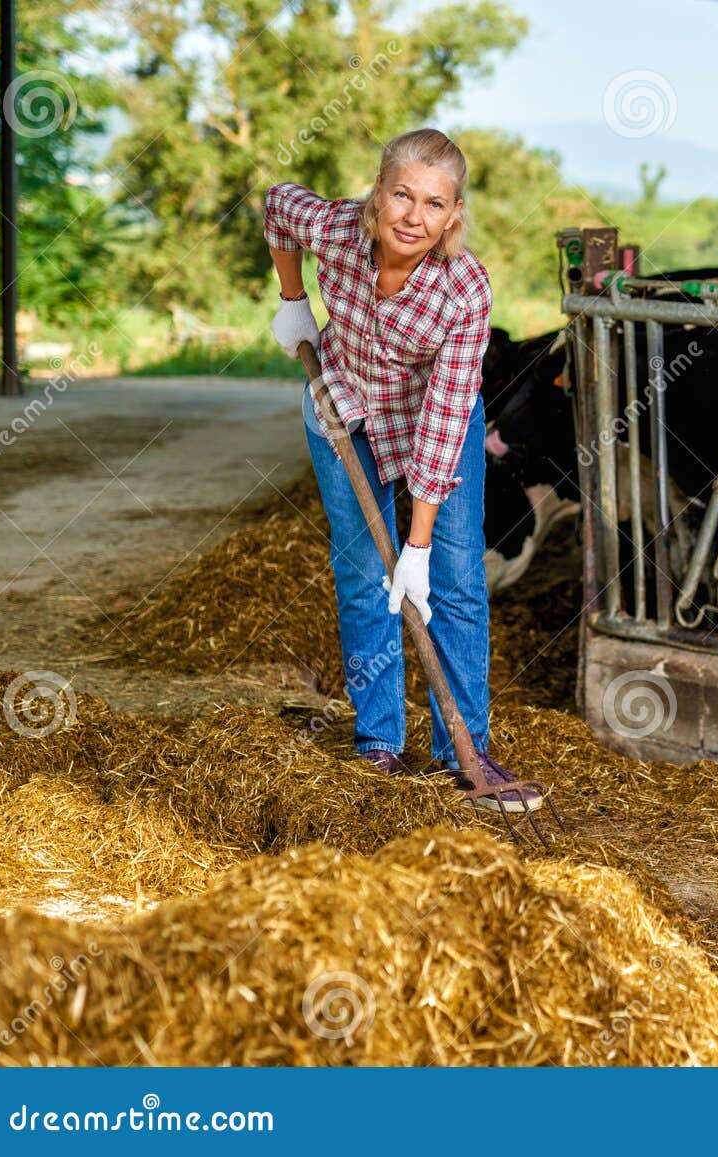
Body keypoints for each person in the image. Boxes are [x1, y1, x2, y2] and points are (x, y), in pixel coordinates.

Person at [265, 127, 541, 814]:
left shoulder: (463, 290)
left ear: (454, 215)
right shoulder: (335, 226)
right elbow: (276, 204)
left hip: (433, 424)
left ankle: (463, 750)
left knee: (453, 582)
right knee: (364, 574)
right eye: (403, 196)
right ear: (378, 193)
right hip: (343, 404)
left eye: (435, 204)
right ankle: (378, 743)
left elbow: (447, 425)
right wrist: (293, 300)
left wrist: (416, 544)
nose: (414, 217)